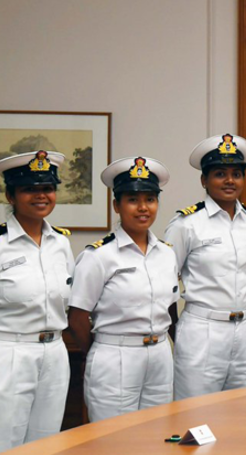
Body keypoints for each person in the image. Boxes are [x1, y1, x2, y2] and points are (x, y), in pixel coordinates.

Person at [0, 150, 73, 455]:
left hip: (53, 355)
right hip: (1, 355)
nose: (41, 195)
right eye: (29, 189)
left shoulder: (60, 243)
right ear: (11, 195)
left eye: (48, 188)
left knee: (44, 451)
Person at [68, 156, 178, 423]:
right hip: (115, 356)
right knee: (113, 441)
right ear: (116, 205)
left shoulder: (166, 253)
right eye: (132, 200)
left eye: (150, 199)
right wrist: (103, 350)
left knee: (156, 437)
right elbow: (77, 317)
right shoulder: (99, 256)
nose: (143, 207)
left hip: (160, 355)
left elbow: (171, 307)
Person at [164, 133, 246, 400]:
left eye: (236, 174)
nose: (230, 180)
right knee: (195, 414)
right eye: (220, 173)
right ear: (204, 181)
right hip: (202, 330)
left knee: (242, 415)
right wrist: (177, 331)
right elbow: (165, 284)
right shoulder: (186, 224)